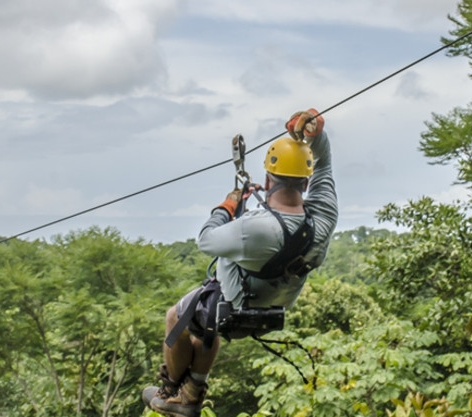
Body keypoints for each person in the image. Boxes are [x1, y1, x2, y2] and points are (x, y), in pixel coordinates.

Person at [142, 108, 338, 417]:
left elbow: (206, 239)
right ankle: (193, 389)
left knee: (175, 318)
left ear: (267, 177)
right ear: (306, 179)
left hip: (236, 302)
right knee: (205, 326)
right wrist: (316, 135)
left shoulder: (254, 229)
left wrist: (228, 205)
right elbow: (323, 166)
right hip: (277, 303)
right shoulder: (323, 217)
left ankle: (174, 395)